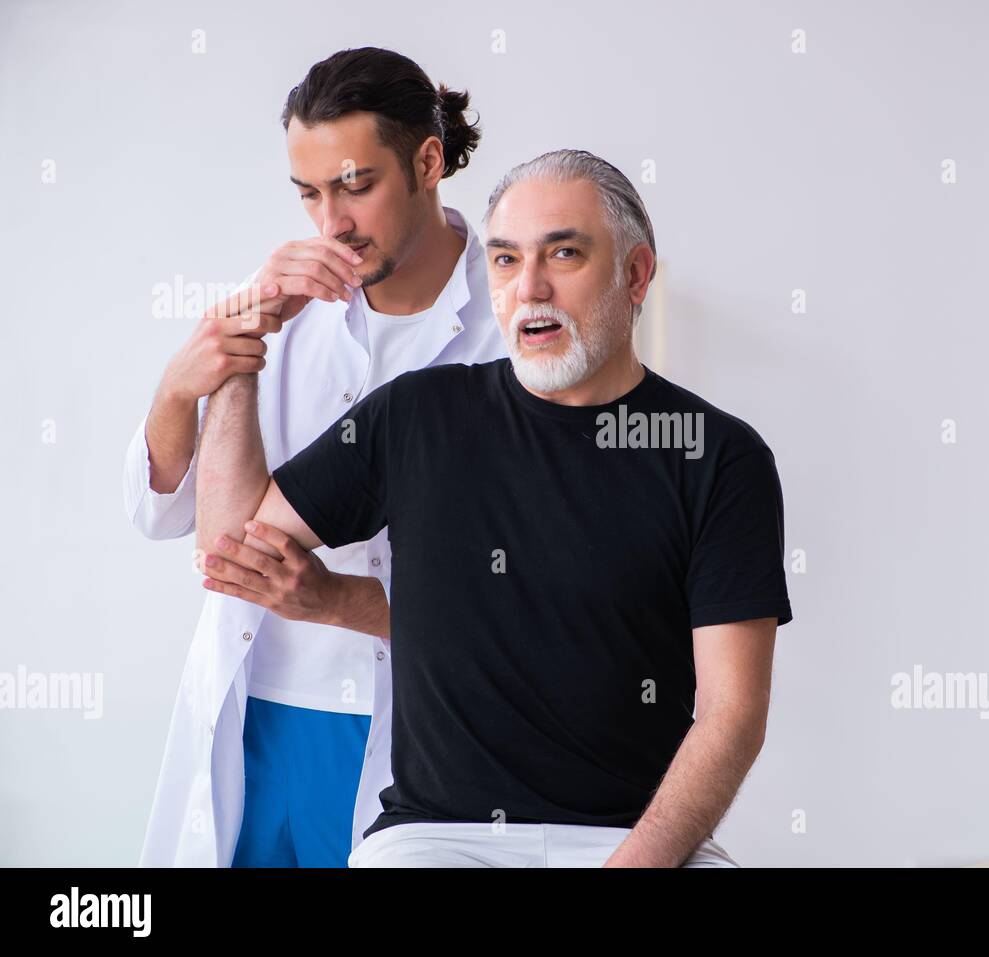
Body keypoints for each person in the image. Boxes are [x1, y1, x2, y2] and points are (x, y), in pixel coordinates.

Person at [193, 149, 793, 867]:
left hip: (639, 841)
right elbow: (230, 544)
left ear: (635, 275)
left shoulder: (719, 456)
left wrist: (637, 863)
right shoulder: (417, 415)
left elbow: (732, 716)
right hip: (435, 841)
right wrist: (242, 348)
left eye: (564, 254)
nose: (530, 287)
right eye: (505, 260)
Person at [126, 47, 504, 867]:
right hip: (261, 705)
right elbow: (165, 513)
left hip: (414, 717)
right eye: (309, 194)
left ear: (428, 161)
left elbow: (529, 592)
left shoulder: (507, 331)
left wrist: (342, 598)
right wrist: (179, 388)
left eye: (355, 185)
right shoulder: (279, 300)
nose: (330, 222)